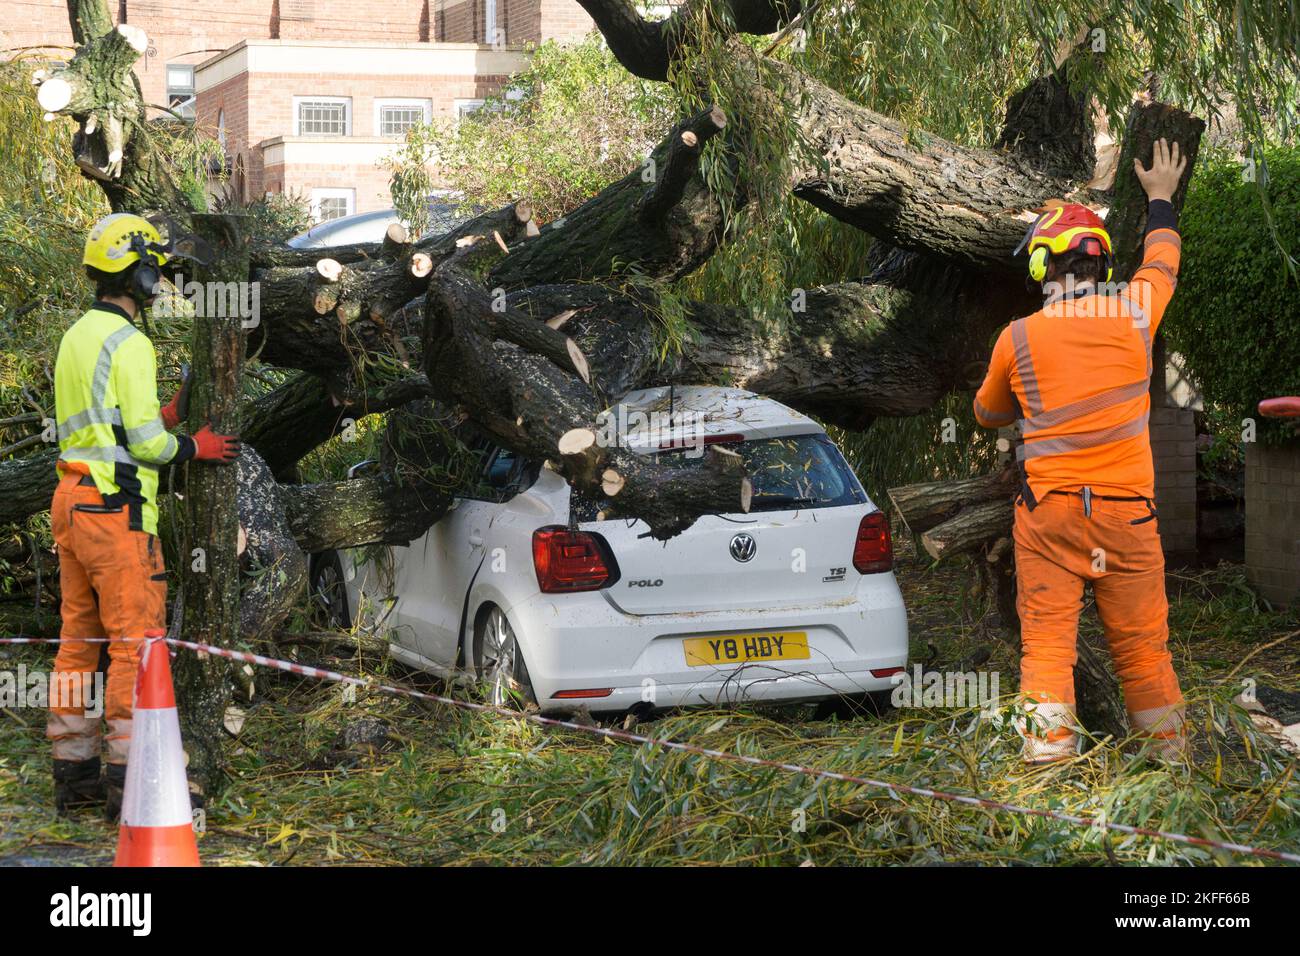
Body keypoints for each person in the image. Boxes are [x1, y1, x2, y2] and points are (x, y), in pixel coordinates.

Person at [973, 140, 1189, 763]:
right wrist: (1160, 198)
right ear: (1100, 263)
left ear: (1044, 268)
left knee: (1046, 652)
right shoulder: (1137, 313)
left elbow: (987, 414)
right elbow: (1164, 261)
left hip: (1051, 519)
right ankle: (1171, 777)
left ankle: (1047, 777)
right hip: (1130, 519)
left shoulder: (1017, 338)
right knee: (1145, 652)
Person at [48, 213, 241, 818]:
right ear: (139, 272)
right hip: (116, 515)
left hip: (72, 504)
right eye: (154, 264)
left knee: (79, 642)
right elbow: (146, 449)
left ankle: (73, 774)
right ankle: (127, 783)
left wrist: (163, 417)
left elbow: (107, 427)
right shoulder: (131, 342)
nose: (159, 275)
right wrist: (194, 446)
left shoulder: (77, 334)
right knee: (136, 647)